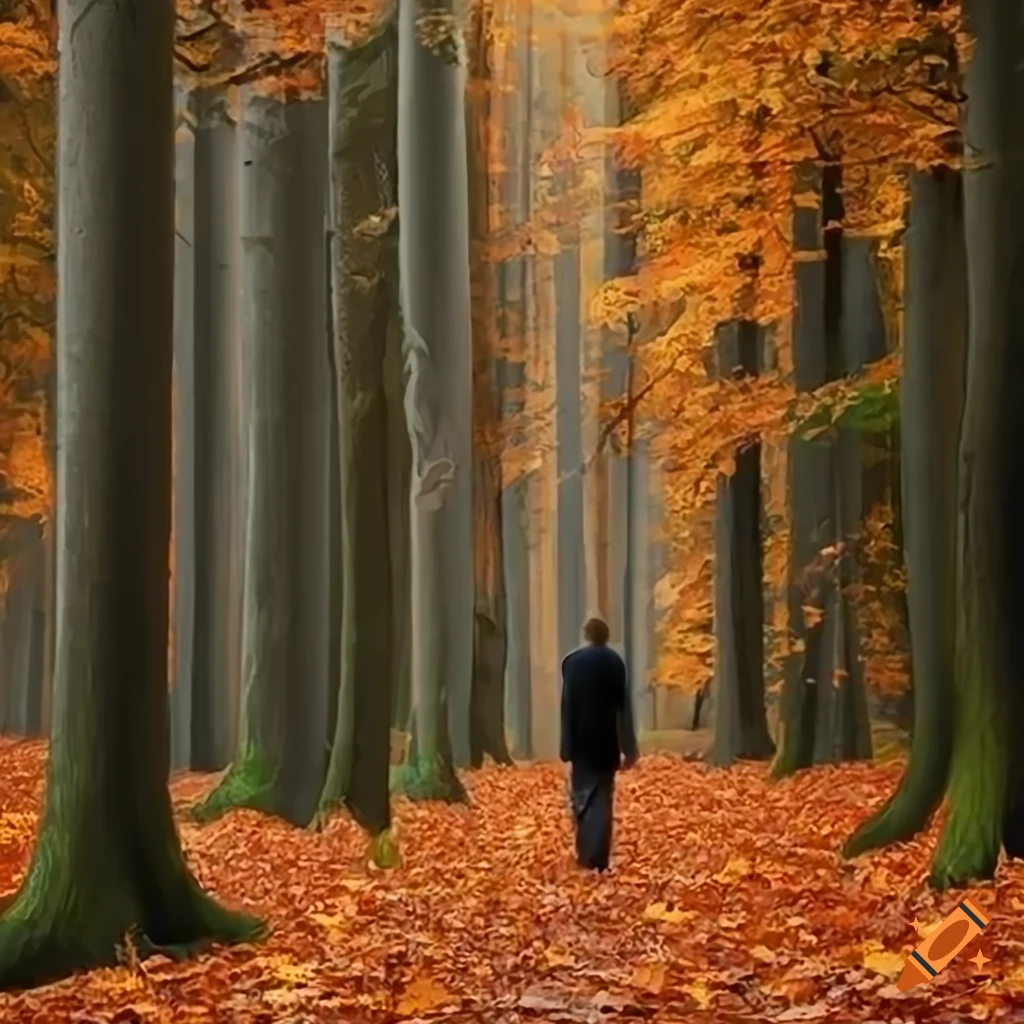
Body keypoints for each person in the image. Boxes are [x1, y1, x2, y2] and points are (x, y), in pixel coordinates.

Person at [559, 617, 639, 871]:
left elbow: (567, 706)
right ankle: (599, 856)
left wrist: (565, 745)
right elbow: (622, 708)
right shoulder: (615, 663)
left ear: (587, 635)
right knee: (603, 798)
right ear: (605, 636)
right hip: (606, 740)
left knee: (582, 796)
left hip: (580, 742)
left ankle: (585, 853)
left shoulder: (571, 664)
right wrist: (629, 748)